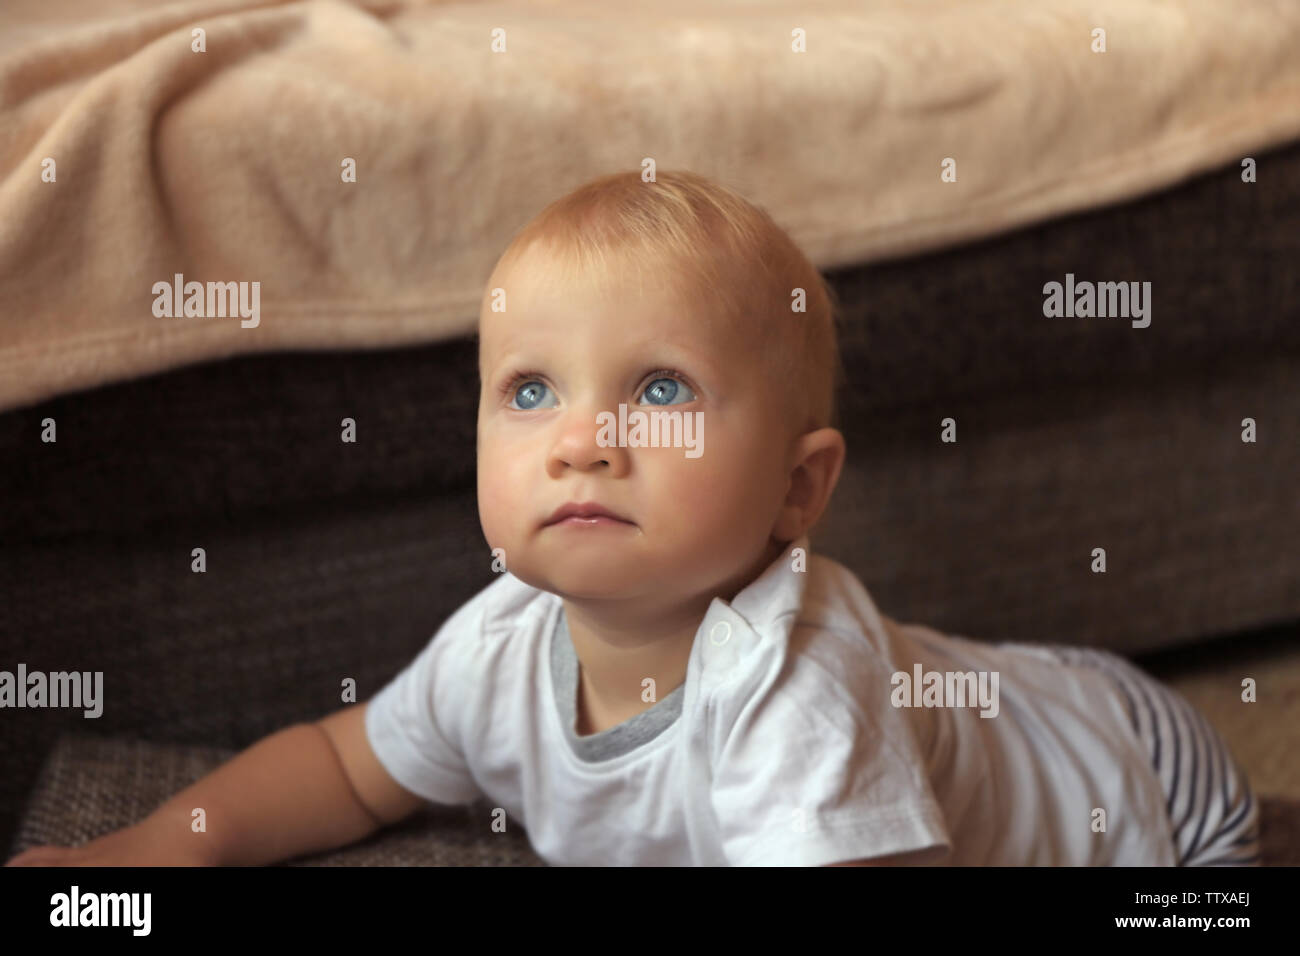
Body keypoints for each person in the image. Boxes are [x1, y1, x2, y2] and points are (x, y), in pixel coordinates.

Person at [6, 170, 1260, 867]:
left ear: (796, 489)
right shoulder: (498, 643)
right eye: (530, 389)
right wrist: (171, 846)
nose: (583, 436)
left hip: (1144, 785)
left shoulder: (789, 684)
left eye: (658, 388)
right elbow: (344, 764)